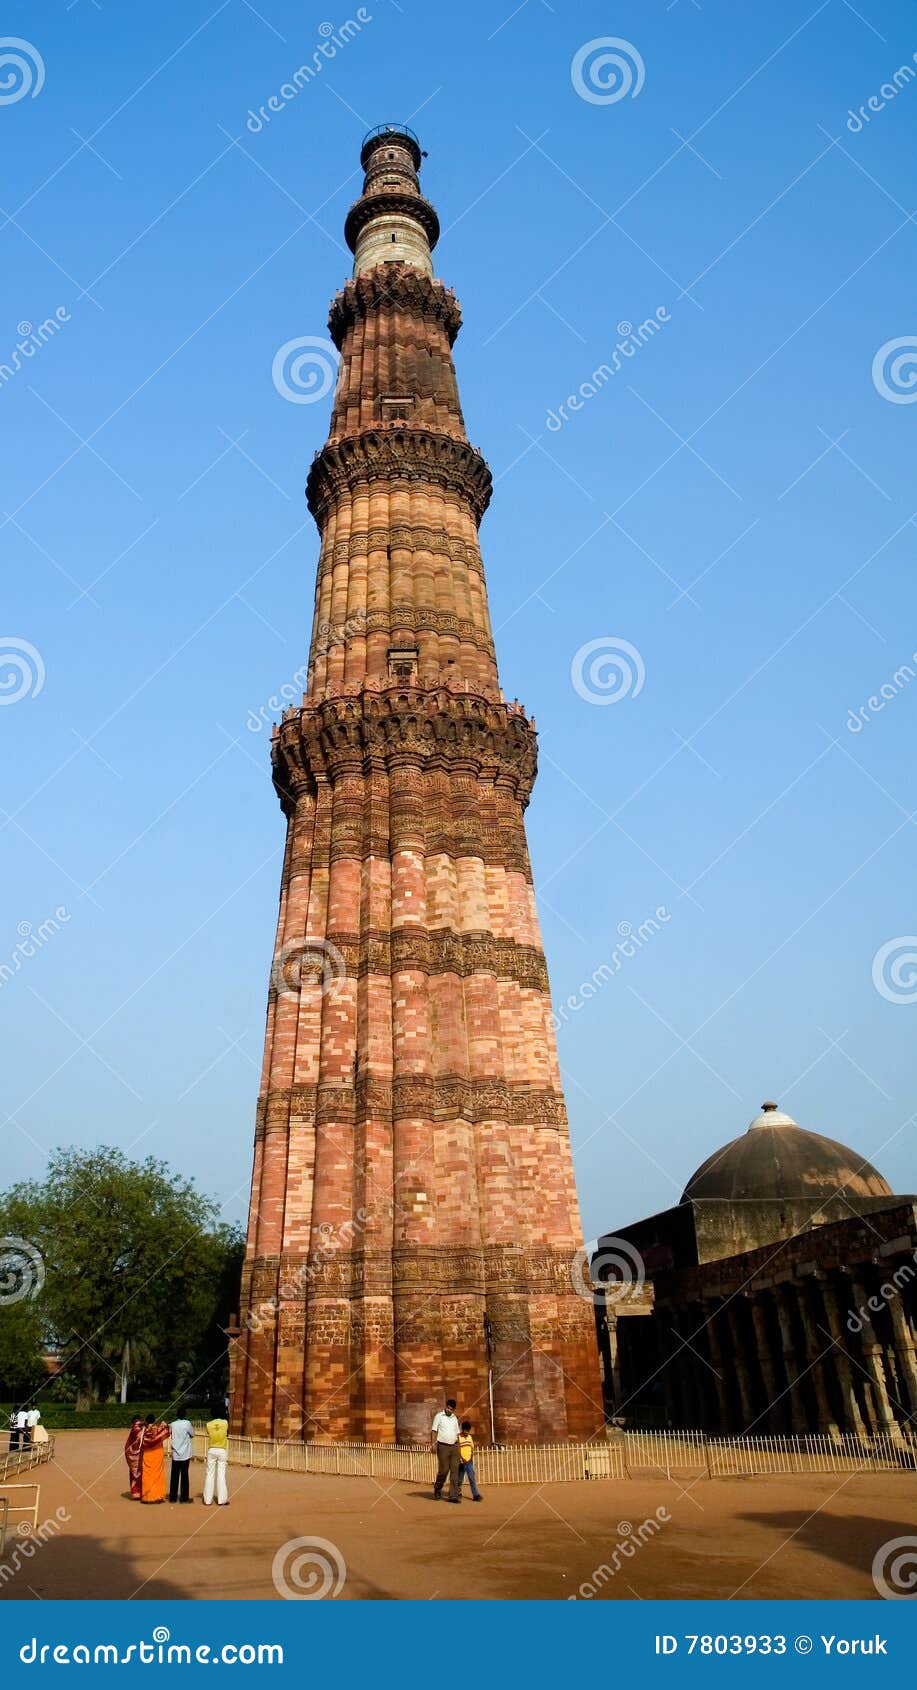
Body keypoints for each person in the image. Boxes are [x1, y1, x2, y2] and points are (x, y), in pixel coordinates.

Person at [431, 1396, 461, 1503]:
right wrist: (433, 1444)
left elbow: (457, 1433)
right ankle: (438, 1488)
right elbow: (434, 1431)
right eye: (448, 1408)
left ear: (453, 1410)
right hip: (442, 1446)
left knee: (455, 1471)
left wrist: (460, 1447)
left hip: (454, 1446)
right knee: (444, 1470)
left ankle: (453, 1495)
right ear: (446, 1407)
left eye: (451, 1409)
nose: (449, 1410)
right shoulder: (439, 1416)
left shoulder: (454, 1418)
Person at [140, 1415, 170, 1504]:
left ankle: (147, 1496)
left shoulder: (144, 1430)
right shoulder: (157, 1429)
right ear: (154, 1420)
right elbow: (167, 1431)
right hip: (157, 1453)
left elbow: (140, 1442)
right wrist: (165, 1425)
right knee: (157, 1474)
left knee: (147, 1474)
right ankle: (157, 1496)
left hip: (147, 1454)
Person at [203, 1405, 229, 1506]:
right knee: (221, 1474)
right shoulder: (225, 1423)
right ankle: (222, 1500)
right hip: (222, 1449)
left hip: (212, 1449)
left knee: (209, 1474)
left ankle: (207, 1500)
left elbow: (209, 1433)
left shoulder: (208, 1424)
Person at [168, 1404, 194, 1504]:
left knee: (174, 1476)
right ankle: (184, 1498)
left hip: (176, 1453)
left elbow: (170, 1432)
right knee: (184, 1475)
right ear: (185, 1414)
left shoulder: (173, 1424)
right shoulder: (187, 1423)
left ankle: (173, 1497)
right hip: (185, 1453)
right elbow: (192, 1434)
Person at [457, 1420, 482, 1501]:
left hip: (469, 1461)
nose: (467, 1432)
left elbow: (472, 1448)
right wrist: (461, 1458)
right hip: (461, 1462)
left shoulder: (470, 1437)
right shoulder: (459, 1437)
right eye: (465, 1430)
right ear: (462, 1429)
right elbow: (458, 1449)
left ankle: (476, 1495)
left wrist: (471, 1457)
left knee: (472, 1478)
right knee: (459, 1479)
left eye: (468, 1430)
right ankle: (458, 1492)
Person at [124, 1417, 144, 1499]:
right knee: (137, 1474)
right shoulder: (138, 1430)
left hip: (136, 1456)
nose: (137, 1426)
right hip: (137, 1457)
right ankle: (138, 1492)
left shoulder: (135, 1430)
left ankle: (136, 1492)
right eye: (136, 1424)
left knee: (136, 1475)